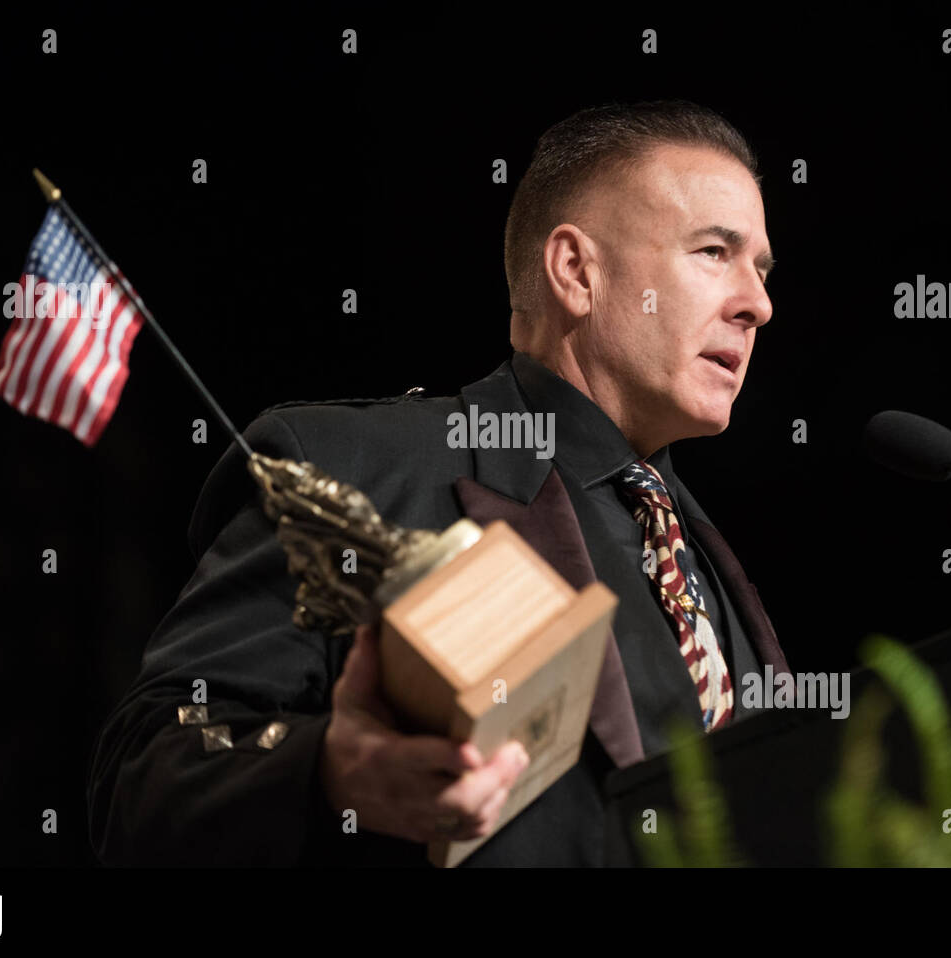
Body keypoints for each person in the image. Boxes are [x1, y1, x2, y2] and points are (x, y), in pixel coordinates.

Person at [87, 99, 791, 866]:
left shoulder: (703, 556)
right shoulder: (348, 469)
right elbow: (146, 770)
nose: (758, 303)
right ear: (576, 271)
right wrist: (332, 773)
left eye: (759, 269)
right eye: (714, 253)